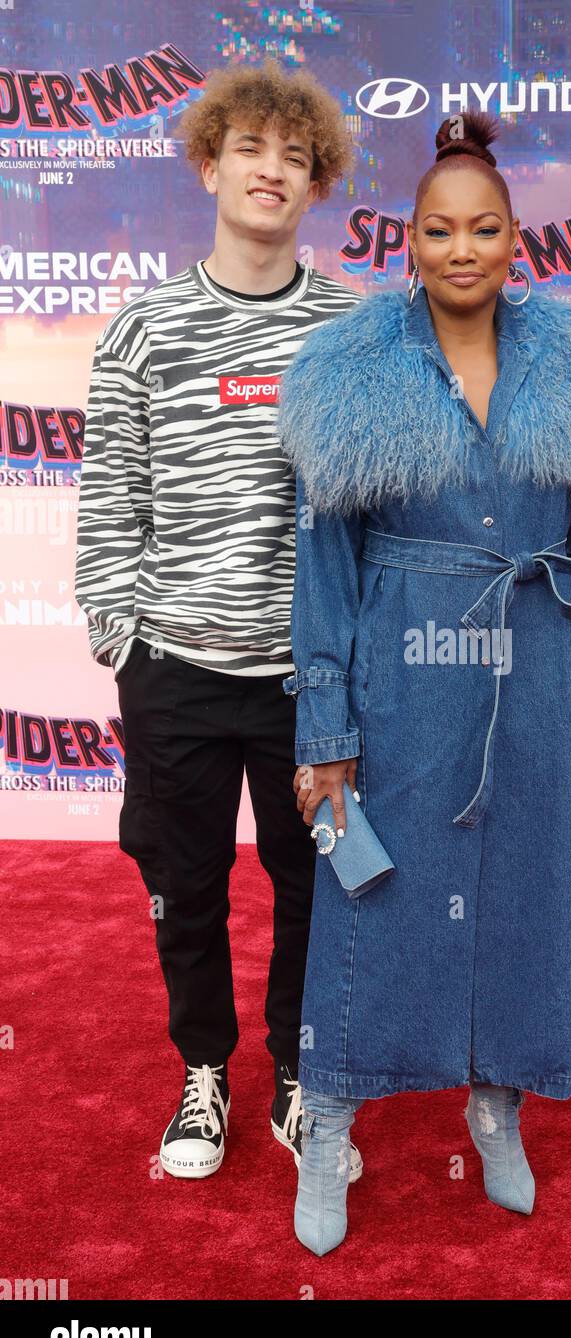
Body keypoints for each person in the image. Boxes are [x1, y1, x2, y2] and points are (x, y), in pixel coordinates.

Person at [276, 111, 571, 1254]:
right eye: (440, 230)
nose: (462, 249)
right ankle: (328, 1122)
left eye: (484, 228)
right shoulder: (350, 367)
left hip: (532, 679)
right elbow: (324, 566)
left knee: (524, 900)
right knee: (368, 899)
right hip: (400, 685)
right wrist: (324, 729)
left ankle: (495, 1105)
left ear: (516, 240)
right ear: (409, 241)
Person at [74, 59, 364, 1182]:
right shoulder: (144, 327)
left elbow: (379, 503)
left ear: (316, 182)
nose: (271, 171)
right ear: (208, 163)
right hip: (178, 670)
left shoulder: (351, 328)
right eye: (251, 149)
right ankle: (204, 1073)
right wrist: (123, 639)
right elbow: (111, 499)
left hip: (313, 680)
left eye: (295, 157)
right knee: (184, 885)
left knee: (313, 889)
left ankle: (298, 1069)